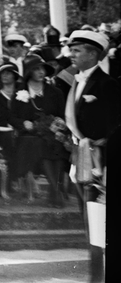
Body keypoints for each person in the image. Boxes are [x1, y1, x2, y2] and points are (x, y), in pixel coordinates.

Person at [62, 28, 119, 282]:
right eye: (71, 49)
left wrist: (100, 150)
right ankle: (96, 275)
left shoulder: (108, 84)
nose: (71, 54)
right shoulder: (75, 81)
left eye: (77, 50)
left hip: (102, 161)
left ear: (94, 54)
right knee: (89, 220)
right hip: (81, 158)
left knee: (100, 219)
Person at [9, 55, 67, 207]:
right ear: (29, 72)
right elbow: (11, 117)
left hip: (52, 133)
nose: (40, 72)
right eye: (35, 69)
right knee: (41, 144)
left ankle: (55, 191)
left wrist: (59, 124)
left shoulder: (55, 92)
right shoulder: (19, 93)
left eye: (42, 68)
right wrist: (23, 123)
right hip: (28, 136)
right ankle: (56, 191)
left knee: (55, 144)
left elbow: (61, 115)